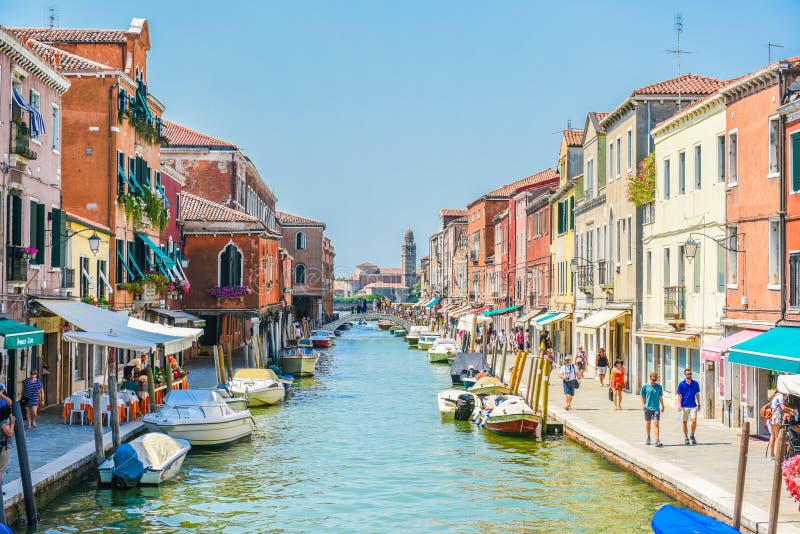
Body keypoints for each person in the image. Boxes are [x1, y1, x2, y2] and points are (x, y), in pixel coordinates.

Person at [677, 368, 701, 445]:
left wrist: (699, 404)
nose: (689, 375)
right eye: (688, 374)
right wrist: (679, 405)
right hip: (684, 406)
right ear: (685, 375)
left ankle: (692, 435)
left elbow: (697, 394)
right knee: (684, 422)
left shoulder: (695, 383)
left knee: (694, 421)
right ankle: (686, 437)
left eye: (690, 374)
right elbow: (679, 396)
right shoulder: (681, 384)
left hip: (693, 405)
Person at [640, 372, 665, 447]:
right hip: (647, 408)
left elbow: (660, 397)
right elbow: (642, 396)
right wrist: (643, 405)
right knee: (648, 423)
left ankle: (657, 440)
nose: (654, 381)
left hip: (656, 408)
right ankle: (648, 437)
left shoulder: (659, 387)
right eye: (653, 379)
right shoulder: (645, 386)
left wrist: (663, 406)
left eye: (655, 379)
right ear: (650, 378)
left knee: (656, 423)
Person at [768, 389, 788, 459]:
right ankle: (778, 455)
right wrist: (791, 410)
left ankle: (771, 454)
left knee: (773, 436)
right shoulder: (781, 396)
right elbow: (783, 408)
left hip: (772, 417)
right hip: (777, 416)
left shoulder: (775, 396)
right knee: (777, 437)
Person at [0, 404, 14, 483]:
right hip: (4, 448)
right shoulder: (4, 422)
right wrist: (12, 424)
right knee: (1, 470)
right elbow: (9, 433)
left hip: (3, 446)